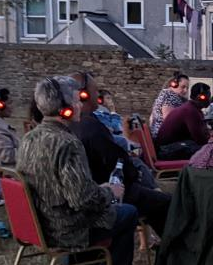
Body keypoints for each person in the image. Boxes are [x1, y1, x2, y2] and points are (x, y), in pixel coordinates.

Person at [18, 76, 139, 265]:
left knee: (93, 209)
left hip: (40, 223)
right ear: (65, 108)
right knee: (127, 213)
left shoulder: (29, 138)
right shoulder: (67, 143)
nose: (80, 105)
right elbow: (82, 200)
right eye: (76, 100)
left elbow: (62, 188)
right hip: (66, 229)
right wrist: (109, 191)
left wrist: (96, 187)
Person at [71, 72, 170, 233]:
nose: (98, 96)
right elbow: (114, 161)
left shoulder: (74, 124)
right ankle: (172, 251)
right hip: (106, 191)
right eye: (96, 91)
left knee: (153, 198)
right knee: (167, 203)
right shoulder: (90, 126)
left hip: (95, 189)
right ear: (84, 94)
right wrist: (133, 174)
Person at [154, 85, 210, 160]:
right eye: (208, 96)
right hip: (166, 151)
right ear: (200, 97)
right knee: (209, 151)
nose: (209, 100)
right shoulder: (190, 111)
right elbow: (200, 139)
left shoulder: (191, 108)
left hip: (169, 148)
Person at [149, 71, 189, 137]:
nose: (185, 91)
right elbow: (169, 121)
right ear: (174, 84)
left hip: (161, 135)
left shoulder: (168, 95)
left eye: (187, 88)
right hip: (165, 138)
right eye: (183, 87)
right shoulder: (169, 96)